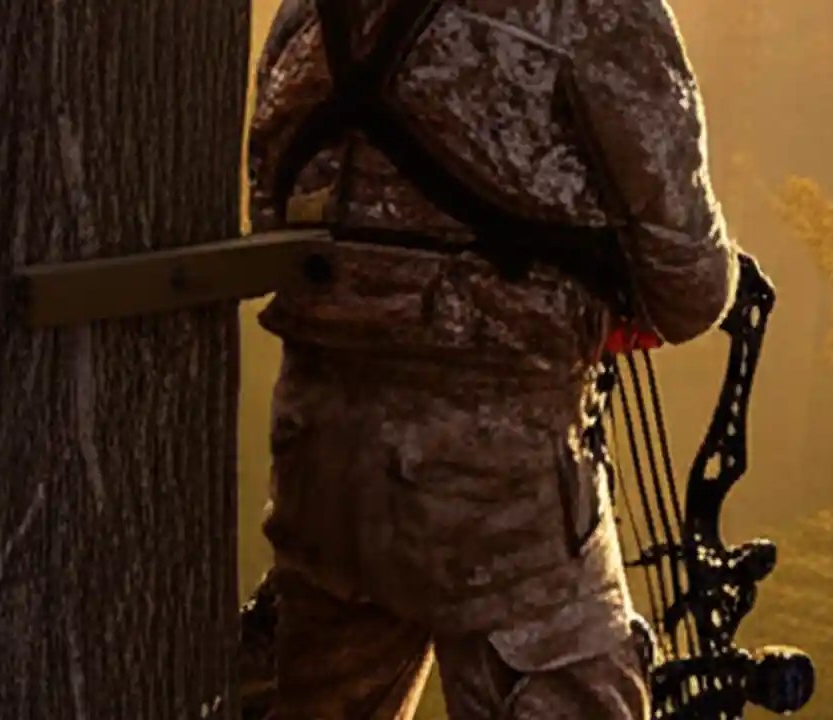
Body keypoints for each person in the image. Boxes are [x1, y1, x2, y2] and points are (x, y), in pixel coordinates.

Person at [246, 0, 738, 717]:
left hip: (320, 463)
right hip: (501, 484)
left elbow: (272, 218)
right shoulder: (596, 13)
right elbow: (691, 290)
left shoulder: (308, 13)